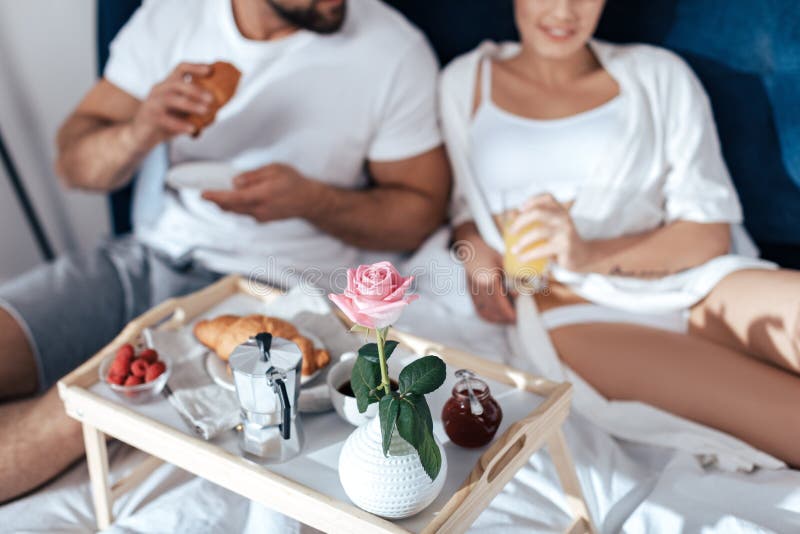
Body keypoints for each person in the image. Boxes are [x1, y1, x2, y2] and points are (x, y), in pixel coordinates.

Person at [0, 0, 450, 501]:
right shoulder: (171, 16)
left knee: (79, 405)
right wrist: (140, 130)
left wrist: (313, 201)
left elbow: (422, 214)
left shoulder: (392, 50)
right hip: (142, 262)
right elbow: (74, 166)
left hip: (269, 292)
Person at [440, 0, 800, 466]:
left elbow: (710, 232)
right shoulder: (464, 83)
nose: (565, 11)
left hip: (690, 281)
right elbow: (465, 202)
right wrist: (472, 250)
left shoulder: (658, 75)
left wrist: (585, 253)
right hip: (577, 313)